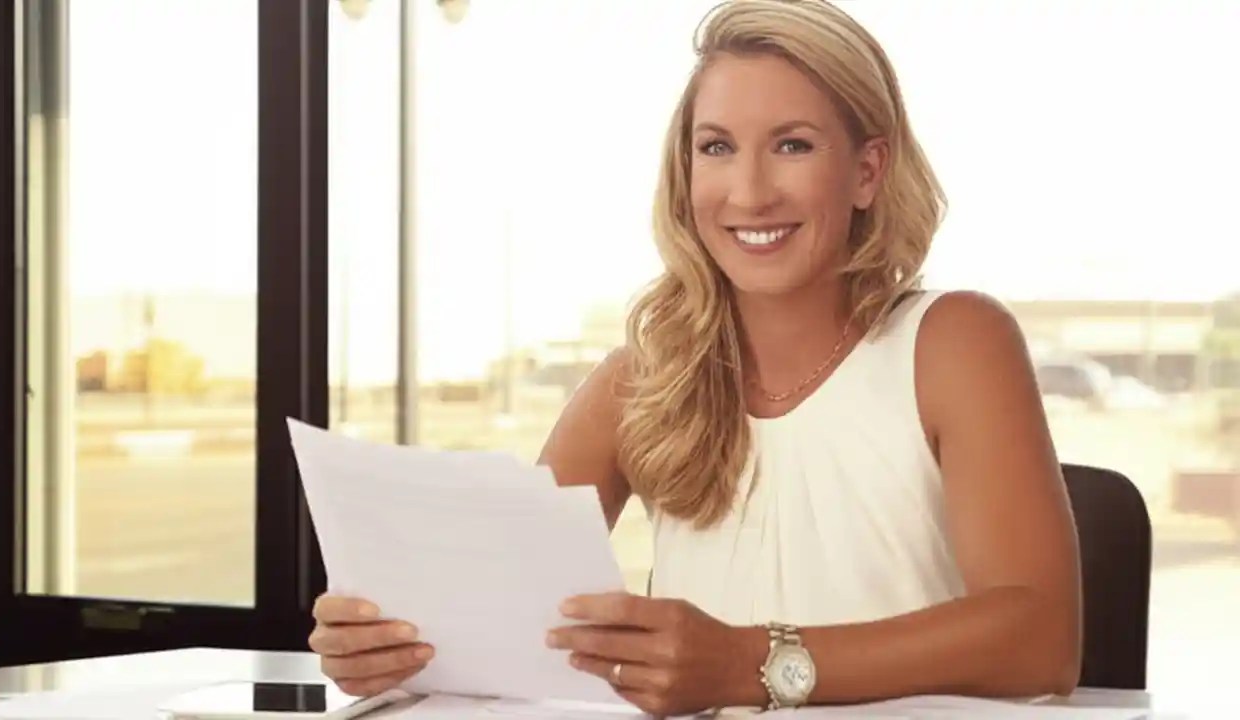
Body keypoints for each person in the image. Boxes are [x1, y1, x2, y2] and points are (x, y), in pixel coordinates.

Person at [307, 0, 1082, 715]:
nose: (749, 192)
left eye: (793, 145)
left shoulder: (953, 342)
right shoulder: (643, 376)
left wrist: (753, 662)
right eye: (716, 148)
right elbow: (506, 613)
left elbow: (1042, 641)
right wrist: (393, 646)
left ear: (867, 171)